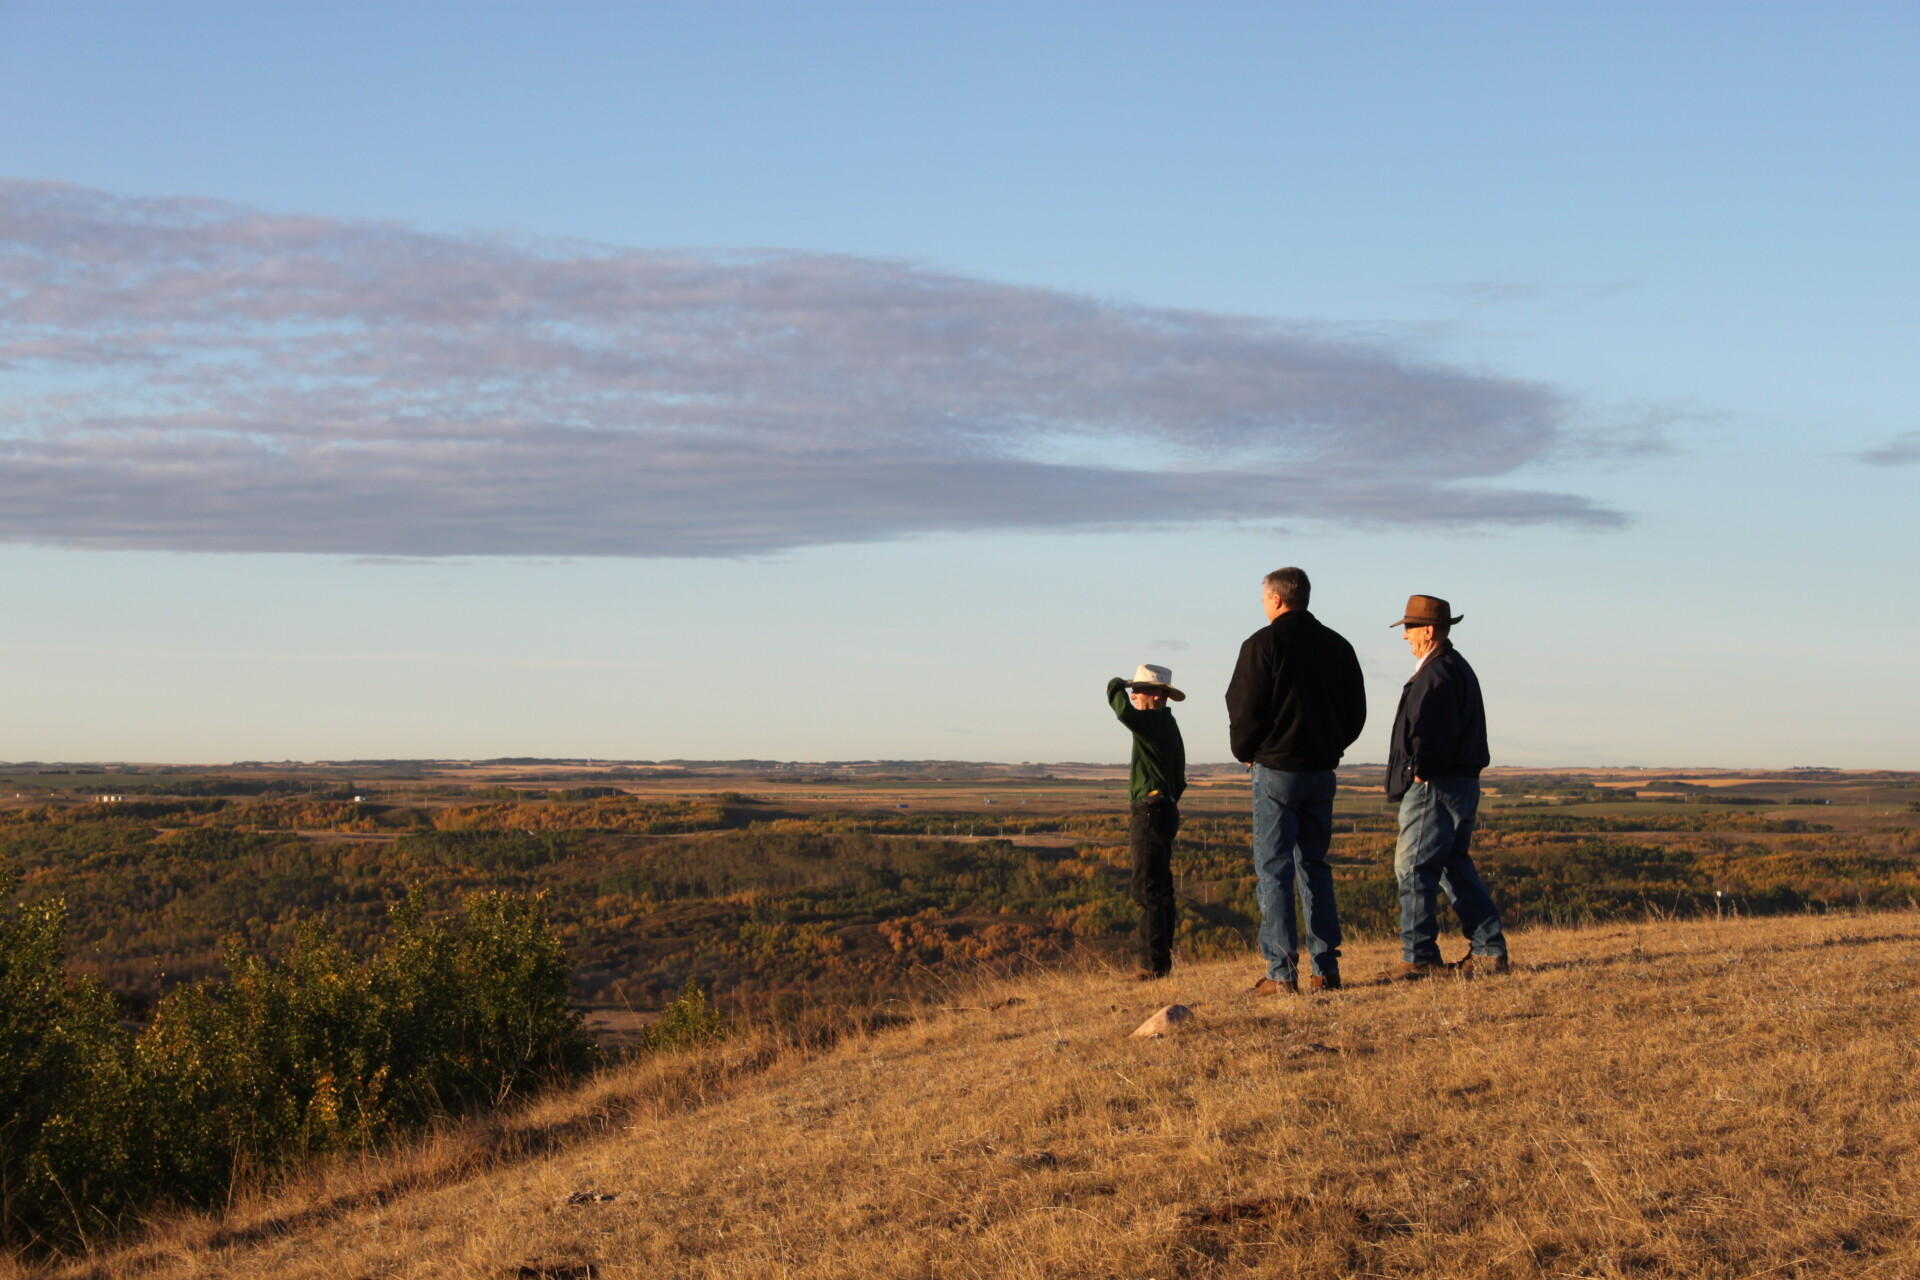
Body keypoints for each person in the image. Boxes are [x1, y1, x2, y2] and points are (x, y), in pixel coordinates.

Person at [1225, 568, 1366, 994]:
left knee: (1274, 869)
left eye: (1264, 597)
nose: (1263, 604)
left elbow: (1244, 706)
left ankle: (1281, 973)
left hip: (1276, 771)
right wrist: (1331, 748)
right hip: (1321, 771)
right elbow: (1355, 712)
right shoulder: (1338, 646)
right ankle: (1326, 969)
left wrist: (1247, 751)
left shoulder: (1263, 644)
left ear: (1277, 600)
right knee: (1315, 867)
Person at [1383, 594, 1510, 979]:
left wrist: (1421, 771)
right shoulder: (1454, 667)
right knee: (1452, 865)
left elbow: (1429, 731)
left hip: (1436, 784)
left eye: (1409, 627)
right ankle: (1488, 949)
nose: (1405, 636)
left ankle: (1419, 956)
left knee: (1414, 868)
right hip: (1460, 782)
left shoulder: (1436, 673)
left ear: (1429, 630)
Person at [1107, 664, 1187, 979]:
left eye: (1137, 690)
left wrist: (1115, 684)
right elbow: (1179, 778)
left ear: (1154, 696)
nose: (1134, 695)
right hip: (1163, 807)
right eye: (1132, 690)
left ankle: (1153, 966)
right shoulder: (1167, 724)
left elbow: (1122, 711)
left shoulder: (1152, 721)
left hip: (1151, 810)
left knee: (1147, 889)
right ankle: (1160, 962)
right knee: (1161, 888)